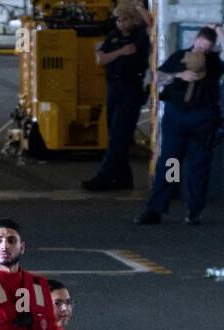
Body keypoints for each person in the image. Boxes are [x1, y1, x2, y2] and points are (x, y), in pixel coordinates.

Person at [134, 23, 224, 226]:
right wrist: (178, 75)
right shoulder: (179, 57)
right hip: (177, 118)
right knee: (172, 164)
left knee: (197, 168)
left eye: (206, 49)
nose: (201, 51)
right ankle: (157, 209)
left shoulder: (214, 63)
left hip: (202, 121)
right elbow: (155, 77)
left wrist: (217, 28)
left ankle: (193, 211)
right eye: (200, 46)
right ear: (194, 41)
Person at [82, 2, 150, 192]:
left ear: (133, 20)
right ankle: (123, 178)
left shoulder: (139, 37)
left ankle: (105, 176)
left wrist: (138, 6)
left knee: (119, 136)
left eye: (125, 19)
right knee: (115, 133)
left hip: (131, 89)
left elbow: (150, 24)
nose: (121, 23)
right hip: (114, 88)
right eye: (119, 20)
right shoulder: (114, 37)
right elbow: (100, 59)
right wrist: (121, 52)